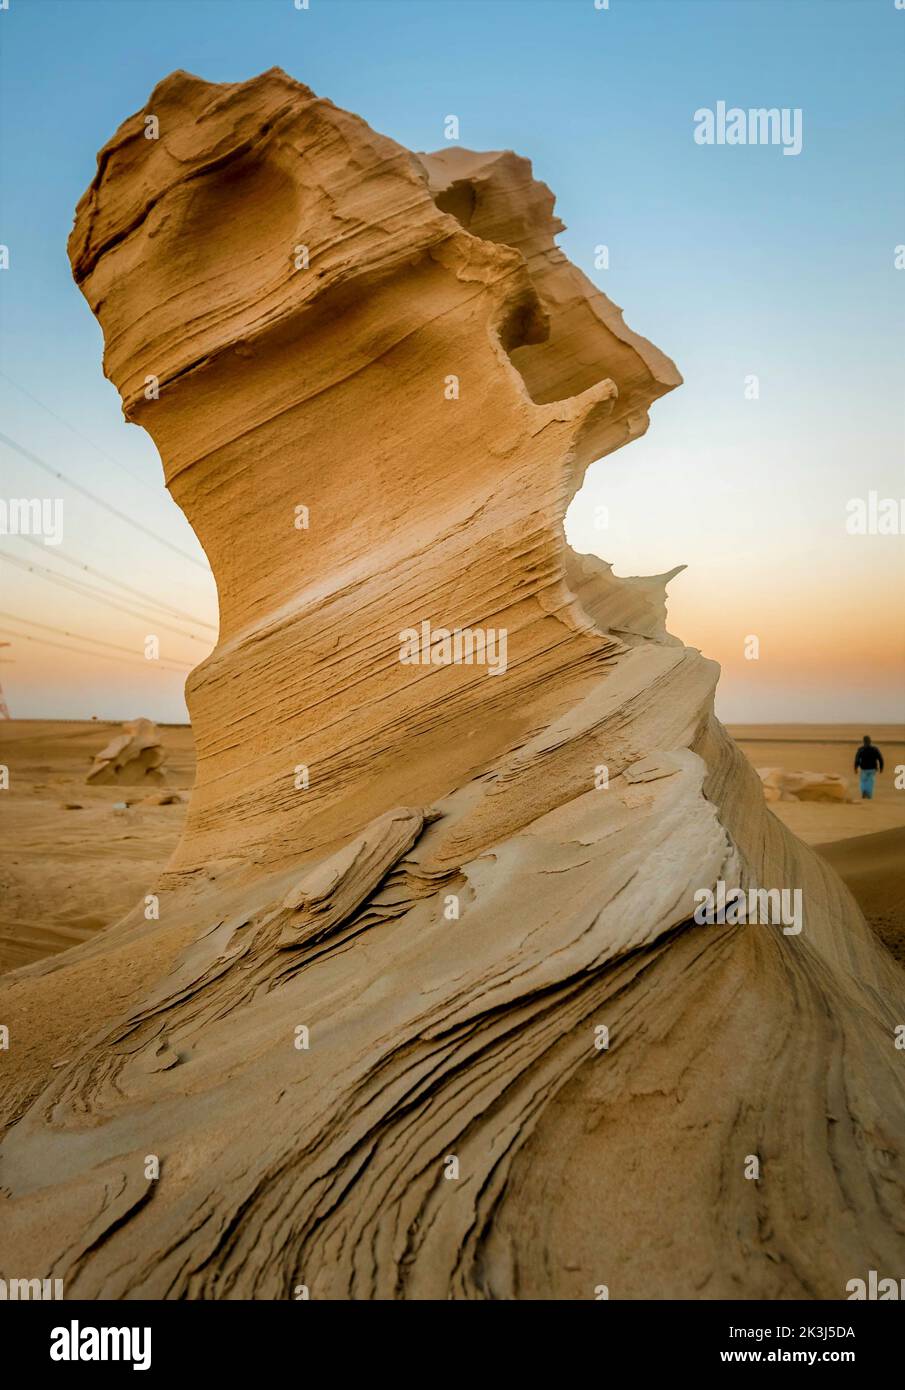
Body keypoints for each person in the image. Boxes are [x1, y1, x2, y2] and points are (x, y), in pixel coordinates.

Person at [854, 735, 884, 800]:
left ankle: (864, 791)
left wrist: (856, 768)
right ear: (870, 741)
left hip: (864, 769)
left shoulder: (861, 749)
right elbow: (880, 759)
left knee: (863, 781)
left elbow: (857, 759)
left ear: (863, 741)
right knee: (870, 782)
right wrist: (881, 768)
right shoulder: (875, 749)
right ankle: (869, 795)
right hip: (872, 769)